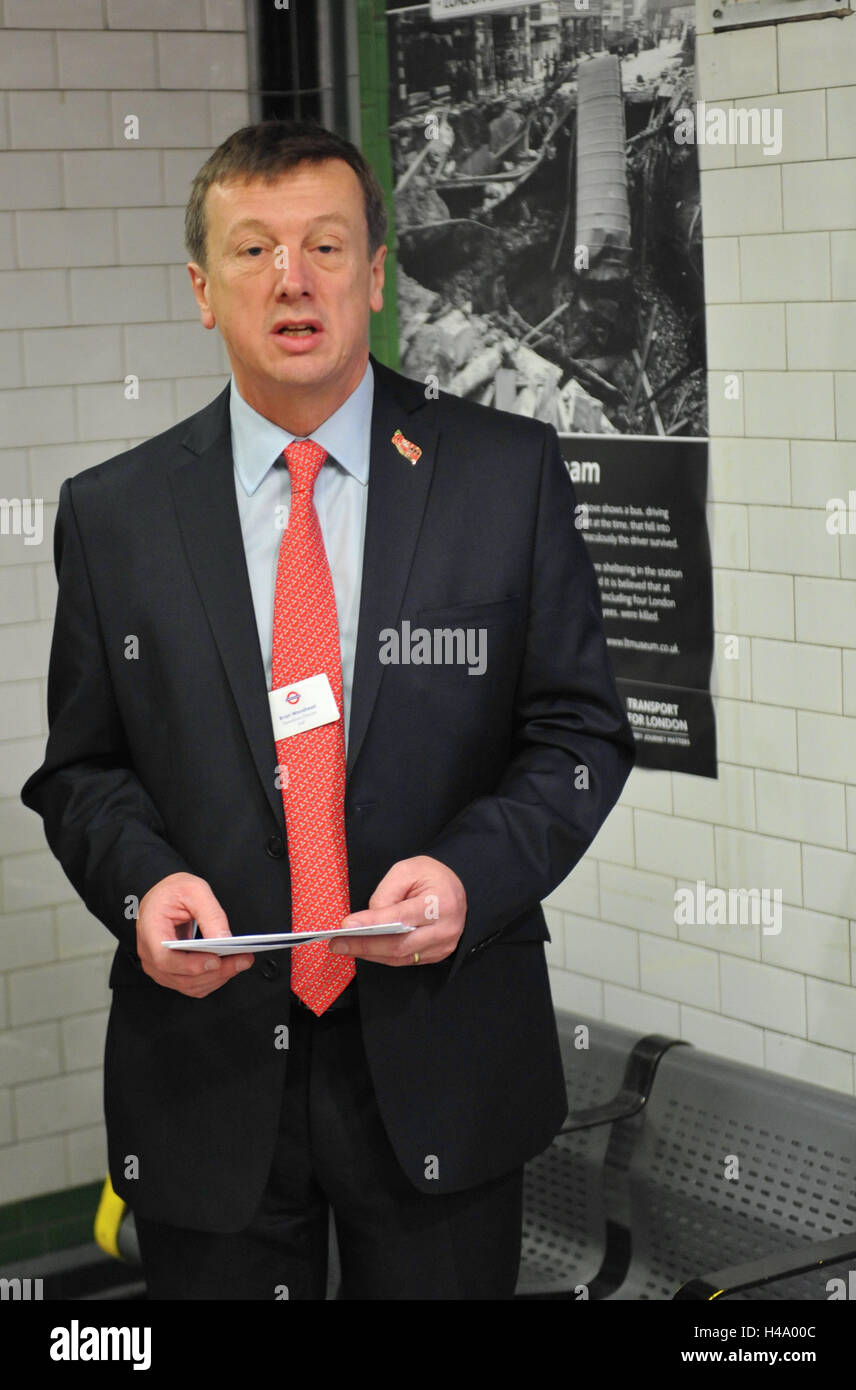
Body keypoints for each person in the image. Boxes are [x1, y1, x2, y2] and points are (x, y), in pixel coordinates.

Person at [20, 119, 634, 1301]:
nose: (290, 279)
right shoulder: (117, 513)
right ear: (202, 291)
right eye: (252, 250)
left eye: (323, 244)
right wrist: (148, 888)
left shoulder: (503, 475)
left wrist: (464, 879)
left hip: (441, 1049)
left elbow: (578, 735)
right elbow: (82, 773)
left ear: (373, 272)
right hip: (205, 1072)